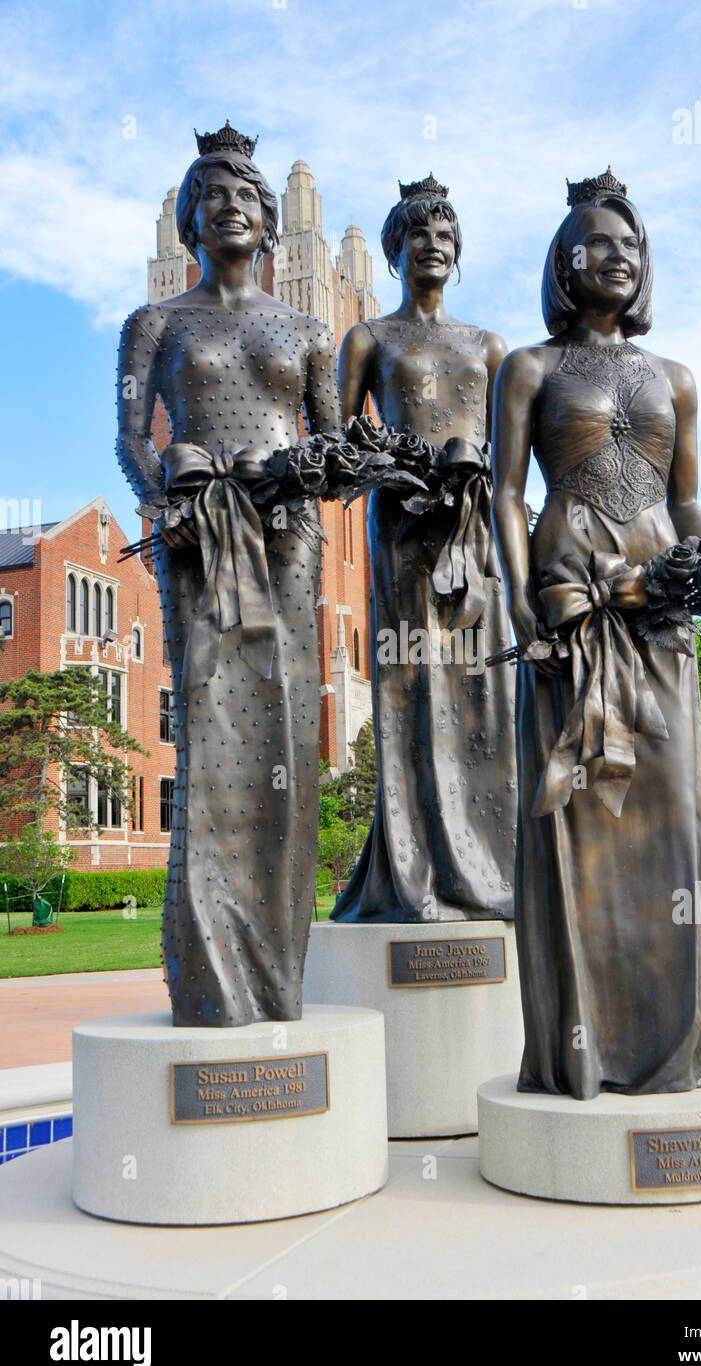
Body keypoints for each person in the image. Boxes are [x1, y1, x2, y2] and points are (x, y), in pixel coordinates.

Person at [490, 169, 701, 1096]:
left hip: (660, 604)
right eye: (597, 241)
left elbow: (683, 497)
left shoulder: (673, 377)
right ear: (563, 260)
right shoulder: (527, 366)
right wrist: (519, 601)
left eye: (630, 245)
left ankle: (683, 1044)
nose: (616, 256)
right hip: (569, 593)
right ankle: (583, 1050)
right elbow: (505, 491)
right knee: (578, 822)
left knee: (670, 811)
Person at [116, 122, 340, 1025]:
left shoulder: (309, 328)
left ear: (271, 222)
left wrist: (307, 471)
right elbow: (134, 434)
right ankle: (209, 976)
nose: (231, 208)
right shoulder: (156, 323)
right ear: (189, 223)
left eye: (247, 197)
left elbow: (332, 442)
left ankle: (277, 973)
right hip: (202, 536)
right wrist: (168, 493)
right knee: (212, 733)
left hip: (286, 538)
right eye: (213, 197)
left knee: (286, 733)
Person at [331, 175, 517, 924]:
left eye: (444, 236)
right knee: (413, 683)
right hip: (403, 526)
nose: (432, 245)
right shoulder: (369, 339)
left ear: (457, 252)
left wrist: (472, 476)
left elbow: (512, 456)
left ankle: (490, 866)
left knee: (481, 690)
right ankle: (414, 869)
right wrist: (403, 466)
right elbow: (342, 442)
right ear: (395, 251)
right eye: (418, 235)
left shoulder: (489, 345)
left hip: (473, 529)